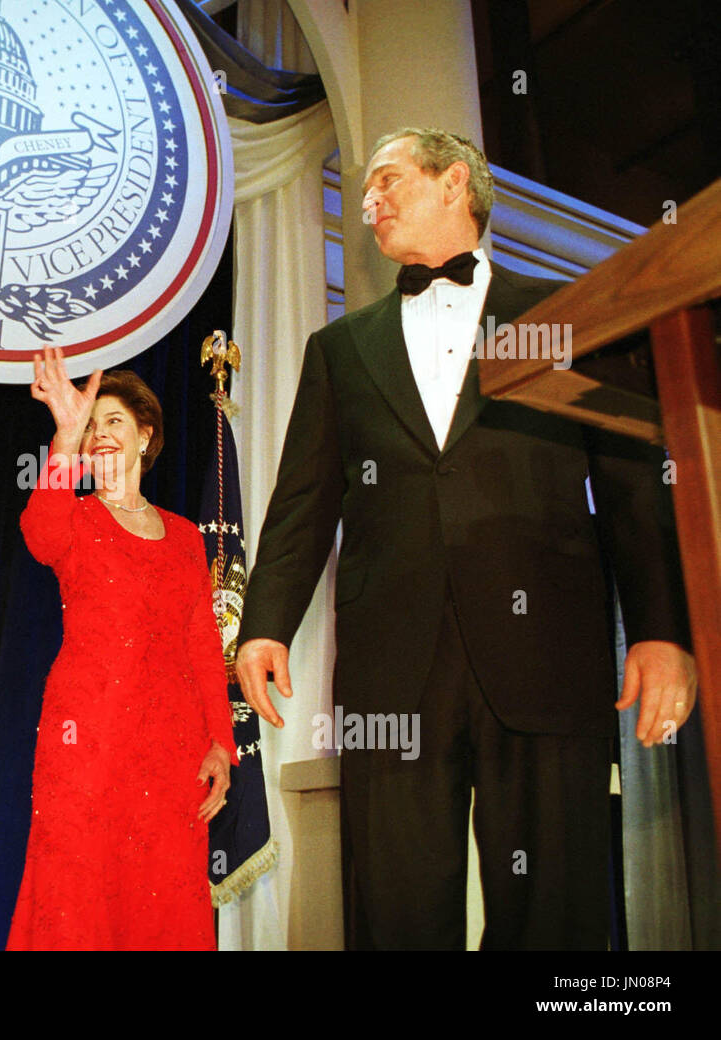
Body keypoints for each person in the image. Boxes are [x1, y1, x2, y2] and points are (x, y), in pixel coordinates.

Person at [236, 127, 696, 950]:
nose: (368, 200)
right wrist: (265, 621)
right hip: (391, 665)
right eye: (364, 189)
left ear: (455, 184)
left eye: (388, 180)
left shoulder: (571, 314)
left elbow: (634, 486)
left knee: (561, 910)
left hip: (549, 652)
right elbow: (303, 500)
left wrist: (661, 631)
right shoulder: (339, 349)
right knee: (395, 908)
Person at [6, 348, 236, 951]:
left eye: (114, 422)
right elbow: (39, 534)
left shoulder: (187, 537)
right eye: (93, 424)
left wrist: (219, 741)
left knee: (162, 891)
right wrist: (64, 431)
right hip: (87, 735)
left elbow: (202, 643)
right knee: (77, 882)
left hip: (172, 744)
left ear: (145, 438)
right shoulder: (75, 518)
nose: (101, 433)